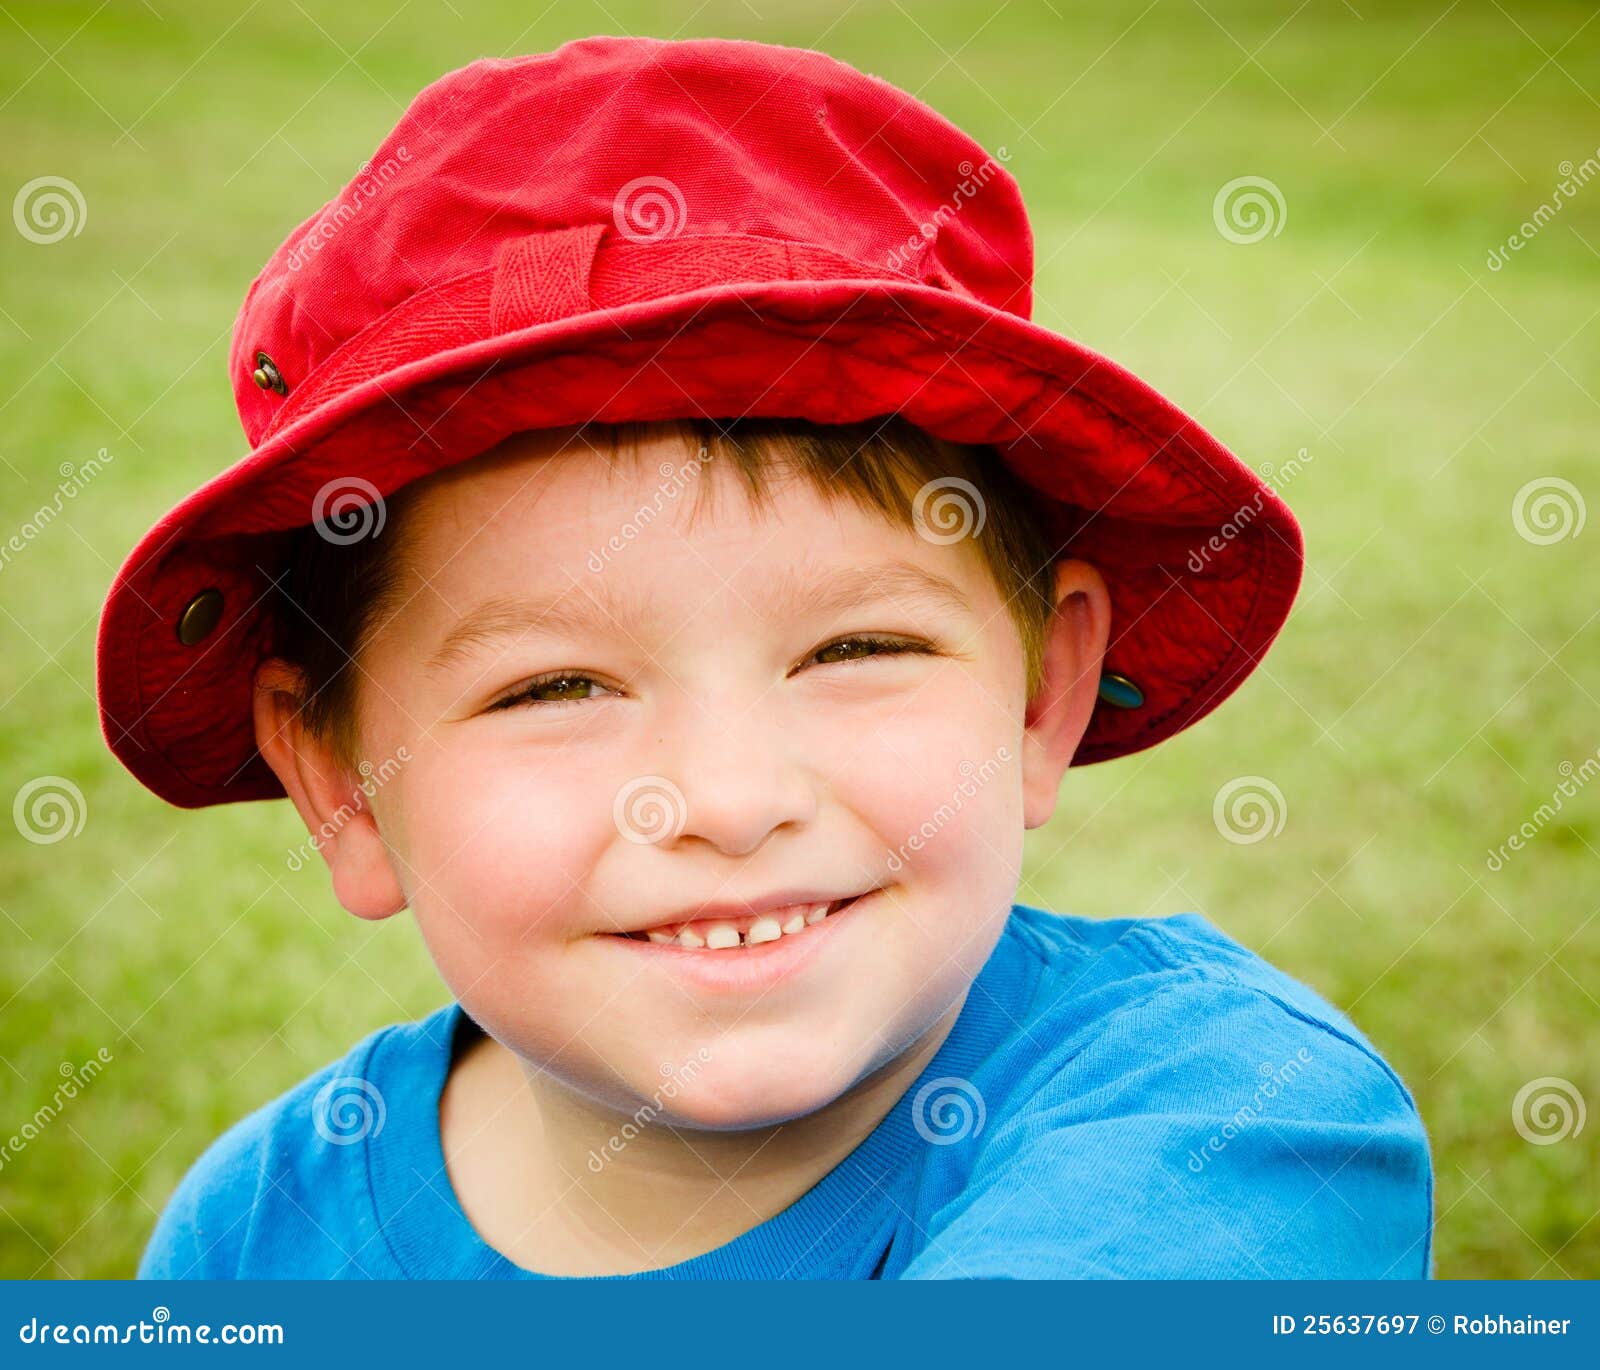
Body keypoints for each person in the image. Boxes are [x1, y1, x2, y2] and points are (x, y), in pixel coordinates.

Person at [96, 35, 1431, 1279]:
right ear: (339, 781)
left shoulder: (1223, 1111)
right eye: (555, 686)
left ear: (1041, 696)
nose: (730, 801)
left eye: (858, 646)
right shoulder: (253, 1236)